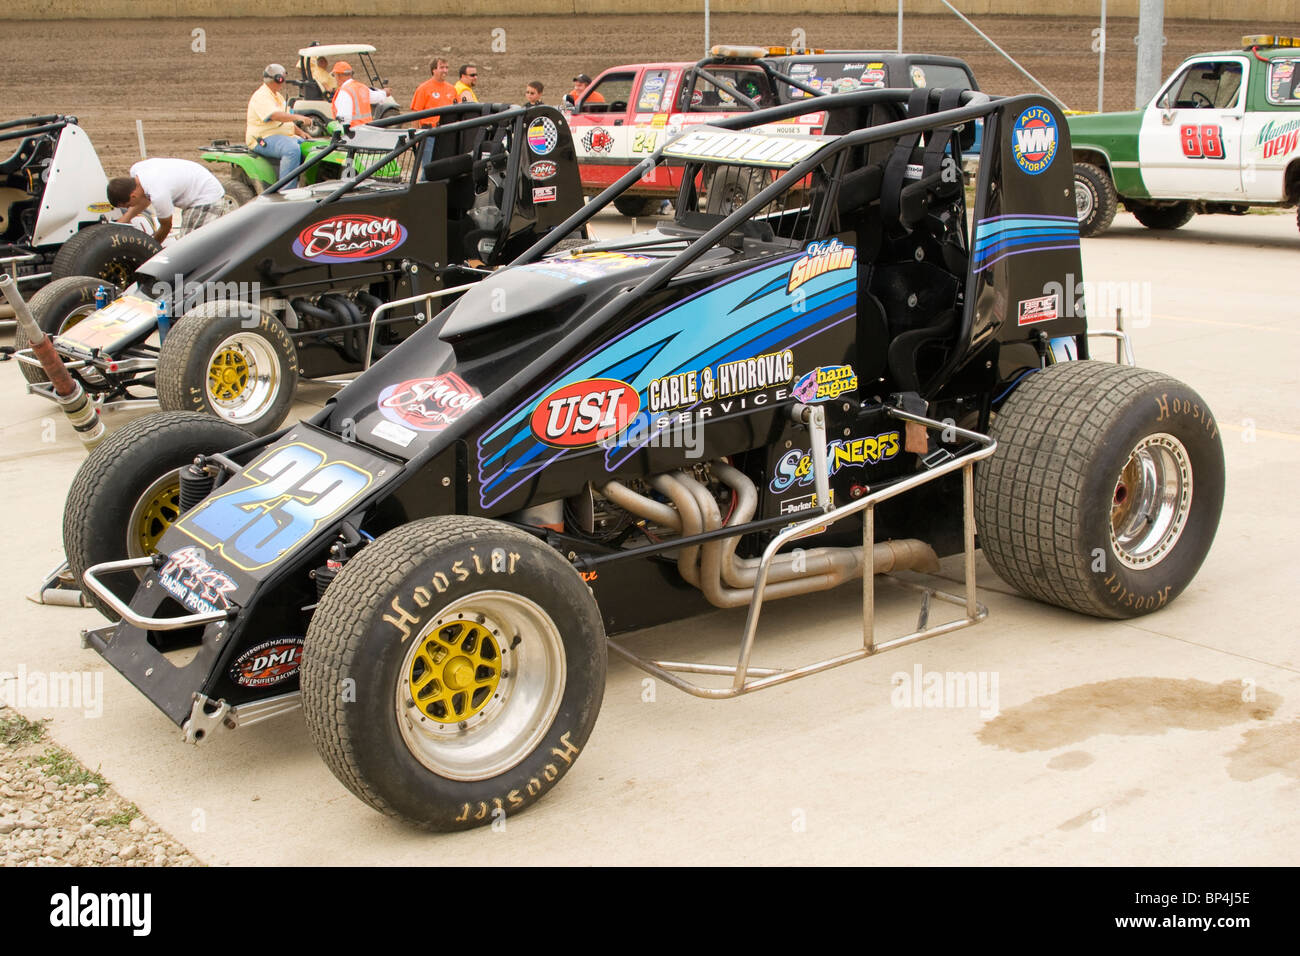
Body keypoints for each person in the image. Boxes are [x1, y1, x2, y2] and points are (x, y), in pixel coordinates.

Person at [106, 158, 226, 243]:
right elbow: (144, 198)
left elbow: (166, 227)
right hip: (194, 179)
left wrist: (150, 248)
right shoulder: (136, 171)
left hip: (206, 197)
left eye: (127, 206)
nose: (128, 208)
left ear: (133, 196)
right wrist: (125, 220)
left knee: (188, 247)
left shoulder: (159, 194)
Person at [246, 63, 311, 187]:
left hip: (282, 136)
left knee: (314, 148)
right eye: (282, 79)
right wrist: (298, 117)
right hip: (263, 138)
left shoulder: (278, 97)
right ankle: (286, 191)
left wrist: (301, 133)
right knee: (291, 150)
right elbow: (275, 115)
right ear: (277, 79)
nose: (283, 82)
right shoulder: (262, 96)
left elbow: (286, 121)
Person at [331, 61, 391, 127]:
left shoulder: (344, 92)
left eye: (334, 75)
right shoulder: (362, 87)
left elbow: (344, 118)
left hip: (352, 133)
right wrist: (384, 92)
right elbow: (376, 97)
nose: (335, 78)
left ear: (339, 75)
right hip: (367, 130)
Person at [410, 57, 459, 127]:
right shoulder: (423, 88)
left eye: (447, 68)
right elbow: (415, 113)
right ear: (434, 70)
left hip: (449, 132)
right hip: (430, 133)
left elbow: (459, 111)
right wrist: (415, 134)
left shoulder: (452, 89)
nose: (445, 70)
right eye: (441, 67)